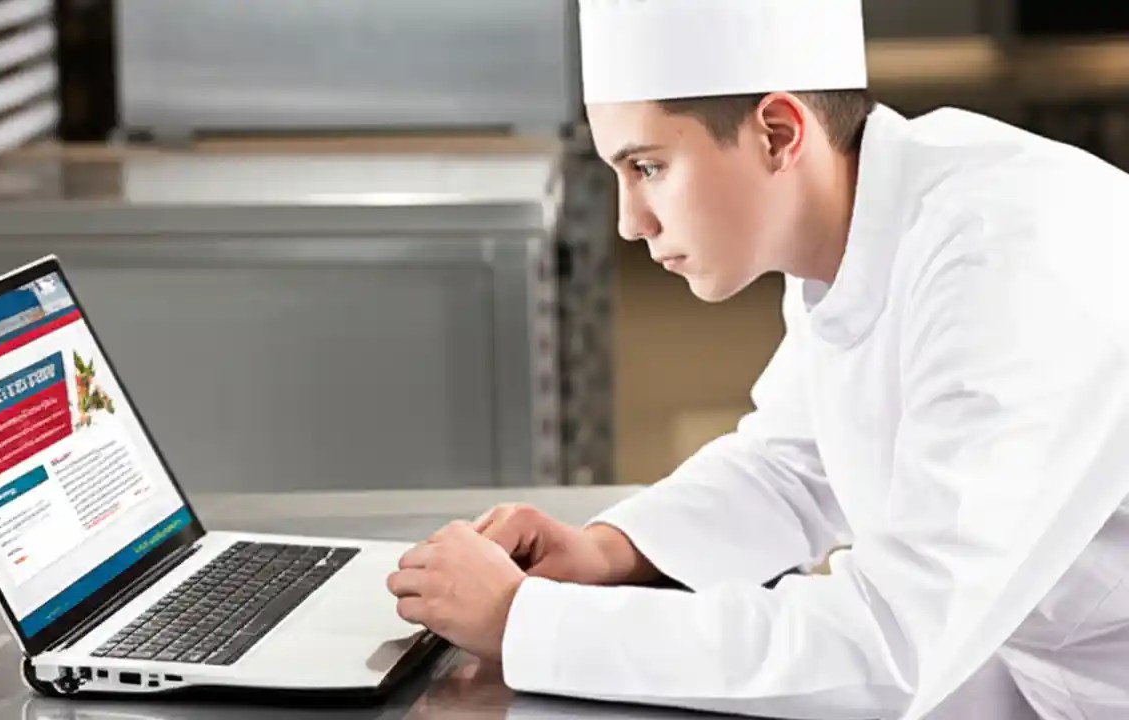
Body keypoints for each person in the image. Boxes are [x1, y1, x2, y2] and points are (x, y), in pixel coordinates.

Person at [385, 1, 1129, 717]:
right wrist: (608, 552)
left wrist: (528, 623)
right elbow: (793, 465)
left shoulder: (1011, 252)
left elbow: (890, 643)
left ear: (778, 133)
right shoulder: (857, 226)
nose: (629, 222)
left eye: (647, 167)